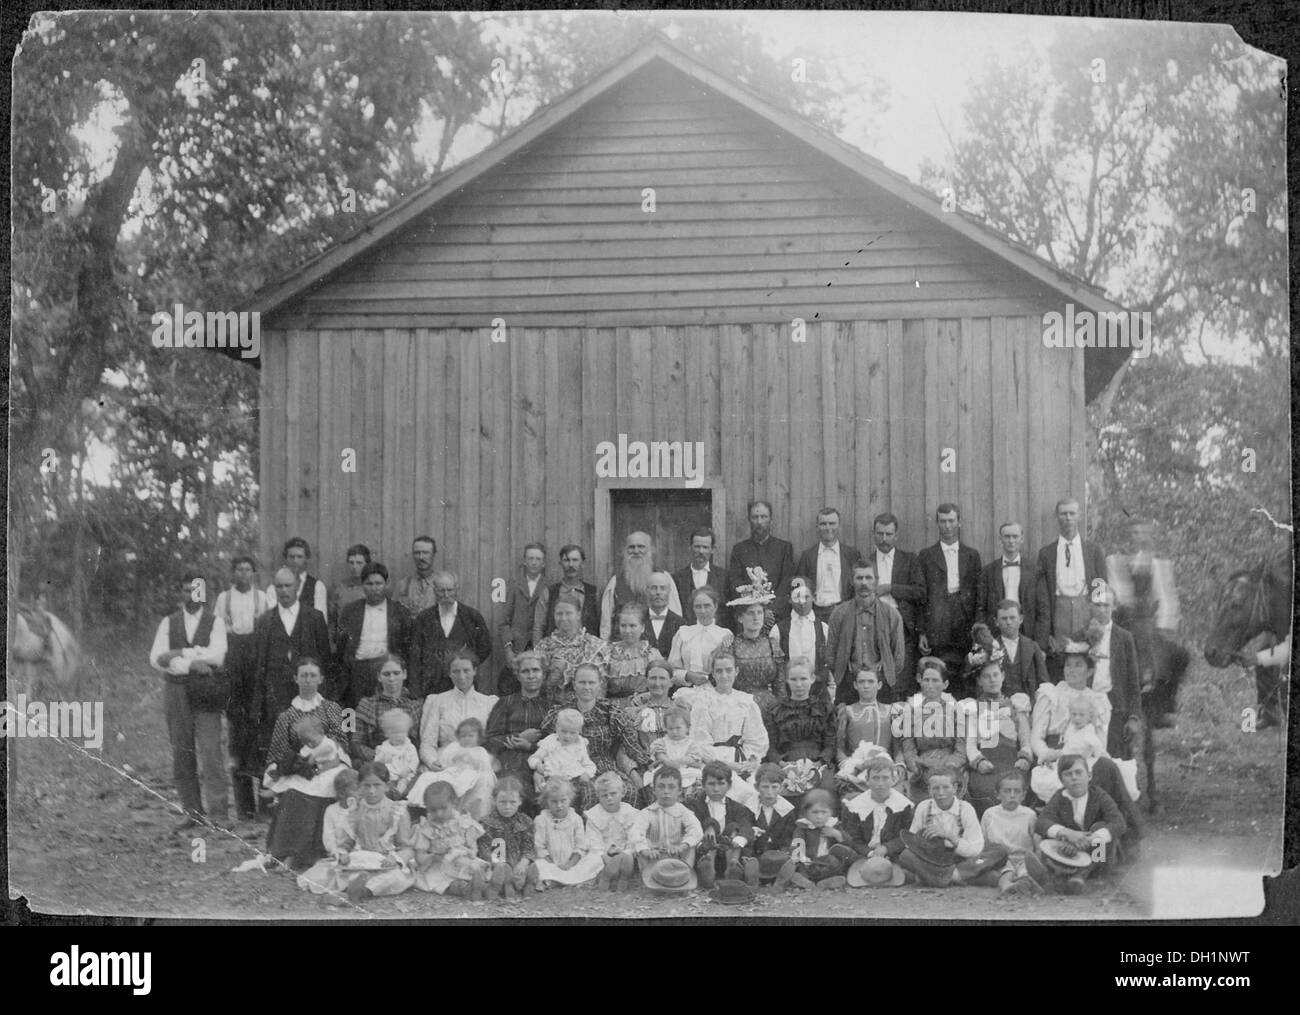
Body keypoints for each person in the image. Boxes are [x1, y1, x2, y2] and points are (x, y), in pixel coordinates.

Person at [1030, 644, 1143, 848]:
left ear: (1090, 671)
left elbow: (1099, 741)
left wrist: (1097, 757)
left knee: (1108, 768)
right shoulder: (1052, 694)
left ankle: (1104, 843)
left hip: (1088, 757)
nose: (1070, 670)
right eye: (1068, 665)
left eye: (1078, 665)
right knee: (1107, 770)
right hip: (1057, 758)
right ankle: (1131, 830)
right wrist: (1048, 754)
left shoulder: (1097, 699)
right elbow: (1036, 738)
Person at [150, 570, 230, 831]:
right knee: (182, 752)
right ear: (181, 592)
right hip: (176, 693)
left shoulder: (215, 622)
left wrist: (179, 655)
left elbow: (217, 656)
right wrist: (194, 661)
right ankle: (192, 812)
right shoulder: (169, 622)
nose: (191, 595)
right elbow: (157, 659)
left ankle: (219, 813)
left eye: (196, 590)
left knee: (211, 752)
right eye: (186, 590)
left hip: (206, 691)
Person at [262, 658, 350, 870]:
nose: (308, 680)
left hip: (332, 762)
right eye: (303, 675)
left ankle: (307, 853)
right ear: (295, 679)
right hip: (301, 764)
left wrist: (324, 765)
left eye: (312, 675)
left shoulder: (332, 708)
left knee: (322, 786)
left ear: (320, 679)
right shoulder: (286, 715)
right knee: (294, 790)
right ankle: (281, 851)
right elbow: (279, 750)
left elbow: (340, 742)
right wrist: (291, 765)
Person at [296, 764, 412, 898]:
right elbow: (348, 843)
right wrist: (343, 853)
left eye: (377, 785)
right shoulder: (355, 809)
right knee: (326, 871)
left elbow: (408, 848)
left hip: (385, 863)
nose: (371, 791)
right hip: (361, 859)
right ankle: (354, 886)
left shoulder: (397, 811)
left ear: (386, 786)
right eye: (366, 786)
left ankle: (362, 891)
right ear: (360, 786)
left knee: (395, 877)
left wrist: (395, 859)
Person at [360, 781, 490, 901]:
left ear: (454, 803)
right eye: (433, 810)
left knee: (477, 868)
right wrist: (433, 856)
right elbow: (420, 857)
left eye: (443, 808)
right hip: (439, 865)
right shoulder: (427, 829)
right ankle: (465, 889)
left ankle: (488, 887)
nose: (438, 814)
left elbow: (471, 844)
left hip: (461, 860)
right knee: (443, 881)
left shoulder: (462, 821)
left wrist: (472, 852)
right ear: (427, 808)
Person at [541, 664, 649, 809]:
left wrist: (648, 762)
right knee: (588, 793)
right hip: (570, 769)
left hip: (605, 767)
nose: (587, 687)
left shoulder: (610, 711)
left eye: (591, 682)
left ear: (599, 684)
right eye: (582, 682)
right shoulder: (561, 713)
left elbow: (631, 743)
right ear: (574, 684)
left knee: (628, 791)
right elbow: (546, 743)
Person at [214, 556, 271, 821]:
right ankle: (243, 807)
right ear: (233, 572)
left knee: (258, 729)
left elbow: (267, 632)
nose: (244, 574)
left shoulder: (262, 598)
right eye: (239, 569)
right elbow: (217, 634)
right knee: (237, 730)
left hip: (256, 664)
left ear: (254, 573)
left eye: (248, 569)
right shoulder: (223, 599)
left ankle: (264, 805)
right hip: (233, 665)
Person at [251, 566, 331, 736]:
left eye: (288, 585)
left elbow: (324, 660)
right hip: (275, 694)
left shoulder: (315, 617)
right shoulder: (264, 621)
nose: (284, 590)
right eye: (279, 586)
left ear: (297, 587)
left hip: (308, 691)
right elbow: (260, 664)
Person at [1034, 498, 1107, 681]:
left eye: (1072, 513)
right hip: (1060, 611)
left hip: (1084, 609)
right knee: (1061, 661)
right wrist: (1047, 633)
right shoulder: (1047, 553)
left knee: (1085, 660)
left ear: (1079, 516)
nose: (1068, 518)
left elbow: (1100, 589)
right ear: (1057, 517)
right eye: (1063, 514)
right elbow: (1042, 598)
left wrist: (1096, 622)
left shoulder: (1093, 550)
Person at [896, 767, 1007, 887]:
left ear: (954, 788)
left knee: (999, 850)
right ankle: (962, 877)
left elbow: (976, 848)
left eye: (946, 787)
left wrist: (950, 837)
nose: (941, 793)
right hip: (933, 859)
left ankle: (950, 876)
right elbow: (912, 843)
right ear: (929, 790)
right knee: (905, 855)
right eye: (936, 788)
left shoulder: (965, 808)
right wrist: (926, 843)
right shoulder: (923, 807)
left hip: (962, 858)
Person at [688, 651, 768, 811]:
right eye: (719, 671)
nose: (724, 676)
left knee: (759, 789)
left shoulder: (746, 701)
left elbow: (756, 739)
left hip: (742, 759)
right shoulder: (703, 702)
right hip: (713, 761)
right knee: (733, 789)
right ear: (712, 673)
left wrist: (751, 761)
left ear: (736, 671)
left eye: (729, 670)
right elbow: (699, 742)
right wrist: (728, 766)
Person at [1035, 754, 1126, 893]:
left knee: (1100, 827)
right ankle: (1062, 875)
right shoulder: (1060, 797)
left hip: (1098, 854)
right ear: (1061, 780)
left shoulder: (1099, 795)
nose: (1074, 778)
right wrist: (1066, 833)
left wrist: (1091, 838)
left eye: (1078, 772)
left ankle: (1084, 876)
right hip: (1071, 848)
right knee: (1050, 833)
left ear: (1089, 776)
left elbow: (1119, 823)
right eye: (1068, 774)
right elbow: (1041, 822)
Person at [334, 562, 413, 710]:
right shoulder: (350, 611)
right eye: (369, 584)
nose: (374, 589)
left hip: (387, 671)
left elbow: (407, 649)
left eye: (378, 583)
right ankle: (348, 732)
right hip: (357, 672)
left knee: (386, 717)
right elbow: (341, 647)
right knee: (350, 716)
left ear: (386, 584)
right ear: (362, 585)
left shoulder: (400, 612)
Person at [1082, 580, 1144, 761]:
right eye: (1097, 605)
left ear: (1114, 607)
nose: (1101, 610)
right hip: (1086, 705)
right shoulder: (1081, 635)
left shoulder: (1124, 638)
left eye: (1106, 605)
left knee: (1114, 759)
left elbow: (1133, 680)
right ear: (1090, 606)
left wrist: (1133, 717)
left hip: (1115, 706)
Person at [827, 562, 906, 705]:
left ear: (876, 580)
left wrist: (883, 675)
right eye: (859, 578)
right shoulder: (839, 613)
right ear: (851, 581)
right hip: (848, 684)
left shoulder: (891, 614)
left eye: (868, 577)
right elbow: (831, 654)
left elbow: (898, 658)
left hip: (882, 685)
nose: (864, 583)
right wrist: (844, 673)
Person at [961, 660, 1033, 817]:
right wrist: (978, 762)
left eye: (995, 675)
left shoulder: (1016, 704)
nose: (992, 680)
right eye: (986, 676)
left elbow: (1026, 742)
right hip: (987, 762)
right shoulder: (973, 708)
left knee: (1016, 786)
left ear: (1003, 676)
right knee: (985, 789)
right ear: (979, 681)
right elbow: (971, 745)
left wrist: (1025, 759)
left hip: (1012, 761)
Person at [917, 504, 982, 676]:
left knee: (967, 667)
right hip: (938, 620)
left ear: (959, 522)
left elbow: (979, 594)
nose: (947, 526)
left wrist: (978, 626)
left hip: (964, 617)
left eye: (951, 521)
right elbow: (921, 596)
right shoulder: (926, 555)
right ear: (937, 523)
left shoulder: (972, 555)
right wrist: (922, 631)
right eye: (943, 521)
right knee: (941, 667)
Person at [484, 651, 552, 810]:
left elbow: (557, 741)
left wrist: (529, 746)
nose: (531, 675)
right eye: (525, 671)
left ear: (543, 674)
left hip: (542, 761)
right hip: (510, 761)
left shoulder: (551, 707)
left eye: (535, 670)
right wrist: (517, 737)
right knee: (514, 786)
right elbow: (490, 740)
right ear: (517, 675)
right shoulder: (505, 702)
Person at [408, 571, 492, 697]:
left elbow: (485, 647)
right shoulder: (424, 618)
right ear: (434, 591)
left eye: (450, 590)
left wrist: (467, 664)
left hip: (463, 683)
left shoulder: (472, 617)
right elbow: (415, 654)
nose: (446, 595)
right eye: (441, 591)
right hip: (432, 686)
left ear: (457, 590)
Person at [869, 513, 926, 696]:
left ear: (896, 535)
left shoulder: (909, 559)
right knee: (878, 679)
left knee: (902, 678)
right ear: (874, 534)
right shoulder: (866, 562)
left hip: (903, 626)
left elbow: (920, 592)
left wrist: (890, 588)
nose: (884, 539)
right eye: (880, 534)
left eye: (888, 534)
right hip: (874, 625)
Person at [764, 658, 838, 798]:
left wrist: (819, 764)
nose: (799, 684)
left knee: (824, 794)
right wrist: (783, 765)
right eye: (793, 679)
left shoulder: (823, 708)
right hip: (785, 765)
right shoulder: (776, 710)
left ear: (812, 679)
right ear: (787, 680)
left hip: (818, 764)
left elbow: (830, 743)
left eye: (803, 679)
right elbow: (770, 746)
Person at [897, 658, 966, 802]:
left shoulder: (955, 711)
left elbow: (961, 748)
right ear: (920, 681)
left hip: (950, 767)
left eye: (935, 680)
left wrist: (949, 766)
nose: (930, 685)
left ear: (945, 684)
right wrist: (916, 766)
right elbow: (908, 748)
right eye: (926, 680)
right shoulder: (910, 712)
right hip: (922, 768)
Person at [418, 650, 499, 765]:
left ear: (474, 671)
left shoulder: (489, 703)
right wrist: (432, 761)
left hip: (478, 763)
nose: (461, 676)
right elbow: (427, 743)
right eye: (456, 671)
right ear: (449, 673)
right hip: (445, 762)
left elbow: (494, 741)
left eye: (466, 670)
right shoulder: (438, 701)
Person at [599, 532, 683, 640]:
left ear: (650, 550)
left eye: (641, 547)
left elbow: (676, 615)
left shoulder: (664, 577)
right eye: (631, 547)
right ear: (625, 551)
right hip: (623, 649)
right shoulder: (615, 582)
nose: (636, 551)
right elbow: (606, 622)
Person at [410, 716, 496, 821]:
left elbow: (484, 767)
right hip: (453, 771)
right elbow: (444, 761)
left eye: (471, 736)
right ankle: (427, 809)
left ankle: (464, 813)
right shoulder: (454, 747)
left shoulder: (480, 751)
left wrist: (472, 758)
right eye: (463, 736)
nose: (467, 738)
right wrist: (453, 758)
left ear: (478, 737)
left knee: (469, 779)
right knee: (429, 777)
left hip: (470, 773)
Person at [689, 761, 758, 888]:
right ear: (703, 784)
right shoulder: (695, 806)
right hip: (706, 851)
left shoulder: (738, 808)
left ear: (729, 785)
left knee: (733, 827)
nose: (716, 789)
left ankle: (733, 869)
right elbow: (690, 827)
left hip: (730, 852)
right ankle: (707, 872)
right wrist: (704, 838)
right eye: (711, 784)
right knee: (709, 825)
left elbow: (746, 826)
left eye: (721, 784)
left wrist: (739, 839)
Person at [727, 500, 797, 622]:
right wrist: (754, 610)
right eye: (755, 517)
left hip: (777, 616)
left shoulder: (784, 548)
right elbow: (736, 582)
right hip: (749, 615)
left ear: (771, 520)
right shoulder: (739, 549)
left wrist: (770, 611)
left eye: (763, 517)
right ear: (749, 520)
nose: (759, 522)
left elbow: (786, 582)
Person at [840, 756, 913, 871]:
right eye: (875, 778)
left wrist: (886, 848)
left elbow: (906, 836)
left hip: (892, 853)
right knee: (842, 851)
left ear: (893, 780)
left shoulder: (904, 806)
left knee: (907, 856)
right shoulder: (854, 806)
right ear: (867, 780)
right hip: (863, 853)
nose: (880, 783)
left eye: (885, 778)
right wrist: (869, 853)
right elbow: (853, 838)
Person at [350, 653, 423, 764]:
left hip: (409, 763)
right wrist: (381, 758)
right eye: (386, 674)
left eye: (396, 673)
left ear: (404, 674)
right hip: (377, 763)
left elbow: (421, 742)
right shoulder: (367, 704)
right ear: (379, 676)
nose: (391, 678)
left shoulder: (416, 705)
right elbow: (356, 743)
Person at [532, 777, 604, 888]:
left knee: (595, 859)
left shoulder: (576, 819)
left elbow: (580, 846)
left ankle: (560, 880)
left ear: (570, 799)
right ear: (547, 801)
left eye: (563, 800)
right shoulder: (541, 820)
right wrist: (553, 864)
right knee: (538, 865)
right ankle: (559, 879)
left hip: (573, 863)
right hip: (551, 863)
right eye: (554, 802)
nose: (559, 805)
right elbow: (539, 847)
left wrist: (570, 864)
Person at [794, 507, 862, 623]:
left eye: (832, 523)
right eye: (823, 524)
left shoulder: (852, 555)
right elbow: (800, 588)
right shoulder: (808, 556)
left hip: (844, 613)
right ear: (817, 527)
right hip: (815, 614)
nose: (828, 528)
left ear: (839, 526)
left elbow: (858, 586)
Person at [534, 595, 611, 697]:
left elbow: (601, 687)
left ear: (578, 614)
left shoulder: (595, 645)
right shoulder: (544, 646)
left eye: (568, 613)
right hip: (551, 707)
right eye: (559, 614)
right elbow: (535, 686)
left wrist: (567, 669)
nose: (563, 618)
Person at [727, 571, 784, 709]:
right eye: (750, 613)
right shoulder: (732, 645)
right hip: (739, 705)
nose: (756, 617)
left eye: (759, 612)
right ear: (740, 618)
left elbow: (780, 684)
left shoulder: (772, 644)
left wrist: (783, 711)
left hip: (769, 706)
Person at [477, 775, 539, 900]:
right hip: (497, 863)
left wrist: (523, 863)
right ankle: (506, 885)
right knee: (496, 868)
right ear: (494, 800)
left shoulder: (525, 821)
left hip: (518, 865)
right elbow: (484, 848)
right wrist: (499, 864)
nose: (507, 807)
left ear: (520, 801)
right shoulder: (488, 822)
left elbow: (528, 847)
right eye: (503, 802)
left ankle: (528, 884)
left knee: (533, 867)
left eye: (512, 802)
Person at [665, 587, 734, 700]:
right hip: (686, 693)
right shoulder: (683, 633)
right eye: (698, 606)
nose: (702, 611)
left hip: (717, 694)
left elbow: (729, 668)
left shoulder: (724, 634)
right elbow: (671, 670)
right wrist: (687, 675)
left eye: (707, 606)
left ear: (715, 606)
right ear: (693, 608)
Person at [629, 766, 705, 867]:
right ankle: (649, 878)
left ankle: (684, 875)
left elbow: (696, 830)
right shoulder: (647, 812)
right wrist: (645, 850)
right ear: (654, 790)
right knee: (639, 846)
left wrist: (683, 846)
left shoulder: (684, 812)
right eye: (661, 786)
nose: (666, 791)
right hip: (654, 858)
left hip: (677, 856)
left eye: (671, 787)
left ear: (679, 791)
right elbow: (636, 832)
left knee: (690, 846)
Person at [499, 542, 548, 696]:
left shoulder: (549, 586)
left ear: (543, 562)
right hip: (517, 649)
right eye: (530, 558)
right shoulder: (514, 585)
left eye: (538, 559)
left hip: (539, 648)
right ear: (524, 561)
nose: (534, 562)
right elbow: (504, 622)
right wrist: (508, 650)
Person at [783, 789, 855, 889]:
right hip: (809, 862)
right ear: (806, 813)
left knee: (834, 861)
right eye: (815, 812)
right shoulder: (803, 828)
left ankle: (827, 881)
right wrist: (803, 858)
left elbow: (849, 842)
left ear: (831, 812)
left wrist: (837, 834)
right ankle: (804, 881)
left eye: (824, 812)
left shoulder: (833, 826)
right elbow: (796, 845)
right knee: (798, 866)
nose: (819, 817)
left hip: (827, 863)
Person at [977, 522, 1037, 639]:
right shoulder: (988, 571)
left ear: (1022, 539)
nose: (1011, 540)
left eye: (1015, 536)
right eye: (1007, 537)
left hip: (1026, 631)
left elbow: (1042, 609)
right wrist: (984, 638)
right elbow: (981, 608)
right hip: (997, 631)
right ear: (1000, 540)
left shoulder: (1034, 570)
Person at [585, 771, 641, 892]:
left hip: (623, 851)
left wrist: (625, 852)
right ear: (598, 797)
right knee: (593, 859)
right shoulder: (595, 815)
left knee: (630, 856)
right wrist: (604, 856)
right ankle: (607, 875)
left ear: (622, 793)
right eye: (604, 796)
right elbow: (594, 841)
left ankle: (623, 877)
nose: (609, 798)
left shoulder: (629, 812)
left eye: (613, 794)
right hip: (604, 853)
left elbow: (633, 836)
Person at [773, 584, 831, 698]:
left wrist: (831, 687)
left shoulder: (823, 628)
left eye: (806, 597)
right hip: (790, 693)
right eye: (797, 597)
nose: (802, 602)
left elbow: (830, 660)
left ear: (813, 597)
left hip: (818, 692)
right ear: (790, 599)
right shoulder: (778, 630)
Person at [529, 708, 598, 801]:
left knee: (588, 791)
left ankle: (582, 814)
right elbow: (534, 758)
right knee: (545, 793)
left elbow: (589, 764)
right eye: (563, 731)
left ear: (579, 731)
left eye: (573, 733)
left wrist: (587, 774)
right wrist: (537, 764)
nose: (567, 736)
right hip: (552, 778)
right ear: (557, 727)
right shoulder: (549, 741)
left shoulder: (580, 744)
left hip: (574, 779)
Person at [982, 600, 1047, 698]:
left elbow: (1044, 683)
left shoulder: (1033, 647)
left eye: (1012, 618)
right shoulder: (989, 648)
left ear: (1021, 619)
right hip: (999, 707)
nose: (1008, 622)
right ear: (996, 622)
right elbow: (983, 687)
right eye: (1004, 618)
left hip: (1028, 706)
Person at [672, 528, 732, 629]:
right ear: (690, 548)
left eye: (705, 547)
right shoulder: (677, 578)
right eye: (697, 547)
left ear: (712, 549)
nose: (701, 551)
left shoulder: (724, 577)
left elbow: (728, 613)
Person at [647, 707, 712, 797]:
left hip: (684, 769)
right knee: (657, 778)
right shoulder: (662, 742)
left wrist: (680, 761)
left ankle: (689, 796)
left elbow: (693, 758)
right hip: (667, 769)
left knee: (694, 778)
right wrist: (667, 761)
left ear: (687, 728)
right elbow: (659, 754)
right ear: (665, 728)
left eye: (678, 728)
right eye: (670, 728)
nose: (674, 732)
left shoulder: (691, 744)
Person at [606, 603, 663, 704]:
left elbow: (661, 686)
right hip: (612, 707)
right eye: (623, 626)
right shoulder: (608, 653)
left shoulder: (651, 655)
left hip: (643, 706)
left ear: (642, 628)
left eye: (632, 626)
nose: (627, 631)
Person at [539, 544, 600, 639]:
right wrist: (538, 651)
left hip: (587, 650)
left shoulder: (594, 593)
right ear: (560, 563)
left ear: (583, 563)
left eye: (575, 560)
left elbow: (603, 626)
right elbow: (538, 627)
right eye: (566, 560)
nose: (571, 565)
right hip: (555, 649)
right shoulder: (549, 592)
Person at [264, 537, 329, 617]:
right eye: (291, 557)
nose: (295, 561)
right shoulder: (273, 588)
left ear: (306, 559)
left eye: (299, 557)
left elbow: (321, 620)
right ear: (285, 559)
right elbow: (272, 620)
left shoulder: (317, 587)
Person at [629, 661, 680, 760]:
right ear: (646, 681)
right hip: (644, 764)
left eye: (662, 678)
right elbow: (629, 746)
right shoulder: (635, 711)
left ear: (671, 682)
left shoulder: (679, 710)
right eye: (653, 678)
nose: (657, 683)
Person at [750, 763, 798, 859]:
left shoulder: (787, 811)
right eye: (765, 787)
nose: (769, 792)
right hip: (754, 856)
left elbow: (788, 839)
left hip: (778, 856)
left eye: (774, 787)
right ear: (756, 787)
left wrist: (782, 856)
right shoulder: (750, 808)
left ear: (781, 788)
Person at [372, 709, 419, 798]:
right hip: (389, 776)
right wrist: (384, 759)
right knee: (383, 784)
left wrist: (408, 769)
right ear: (387, 733)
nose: (399, 735)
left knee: (403, 783)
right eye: (395, 732)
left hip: (404, 774)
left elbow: (415, 761)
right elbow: (377, 763)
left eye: (402, 732)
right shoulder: (384, 748)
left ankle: (399, 794)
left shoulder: (409, 747)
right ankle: (389, 793)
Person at [330, 544, 371, 641]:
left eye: (359, 563)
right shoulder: (340, 588)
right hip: (344, 642)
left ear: (367, 564)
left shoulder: (373, 587)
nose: (354, 567)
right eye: (351, 563)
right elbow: (332, 619)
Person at [393, 535, 439, 615]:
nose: (421, 557)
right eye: (417, 553)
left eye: (425, 553)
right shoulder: (402, 585)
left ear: (433, 555)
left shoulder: (442, 585)